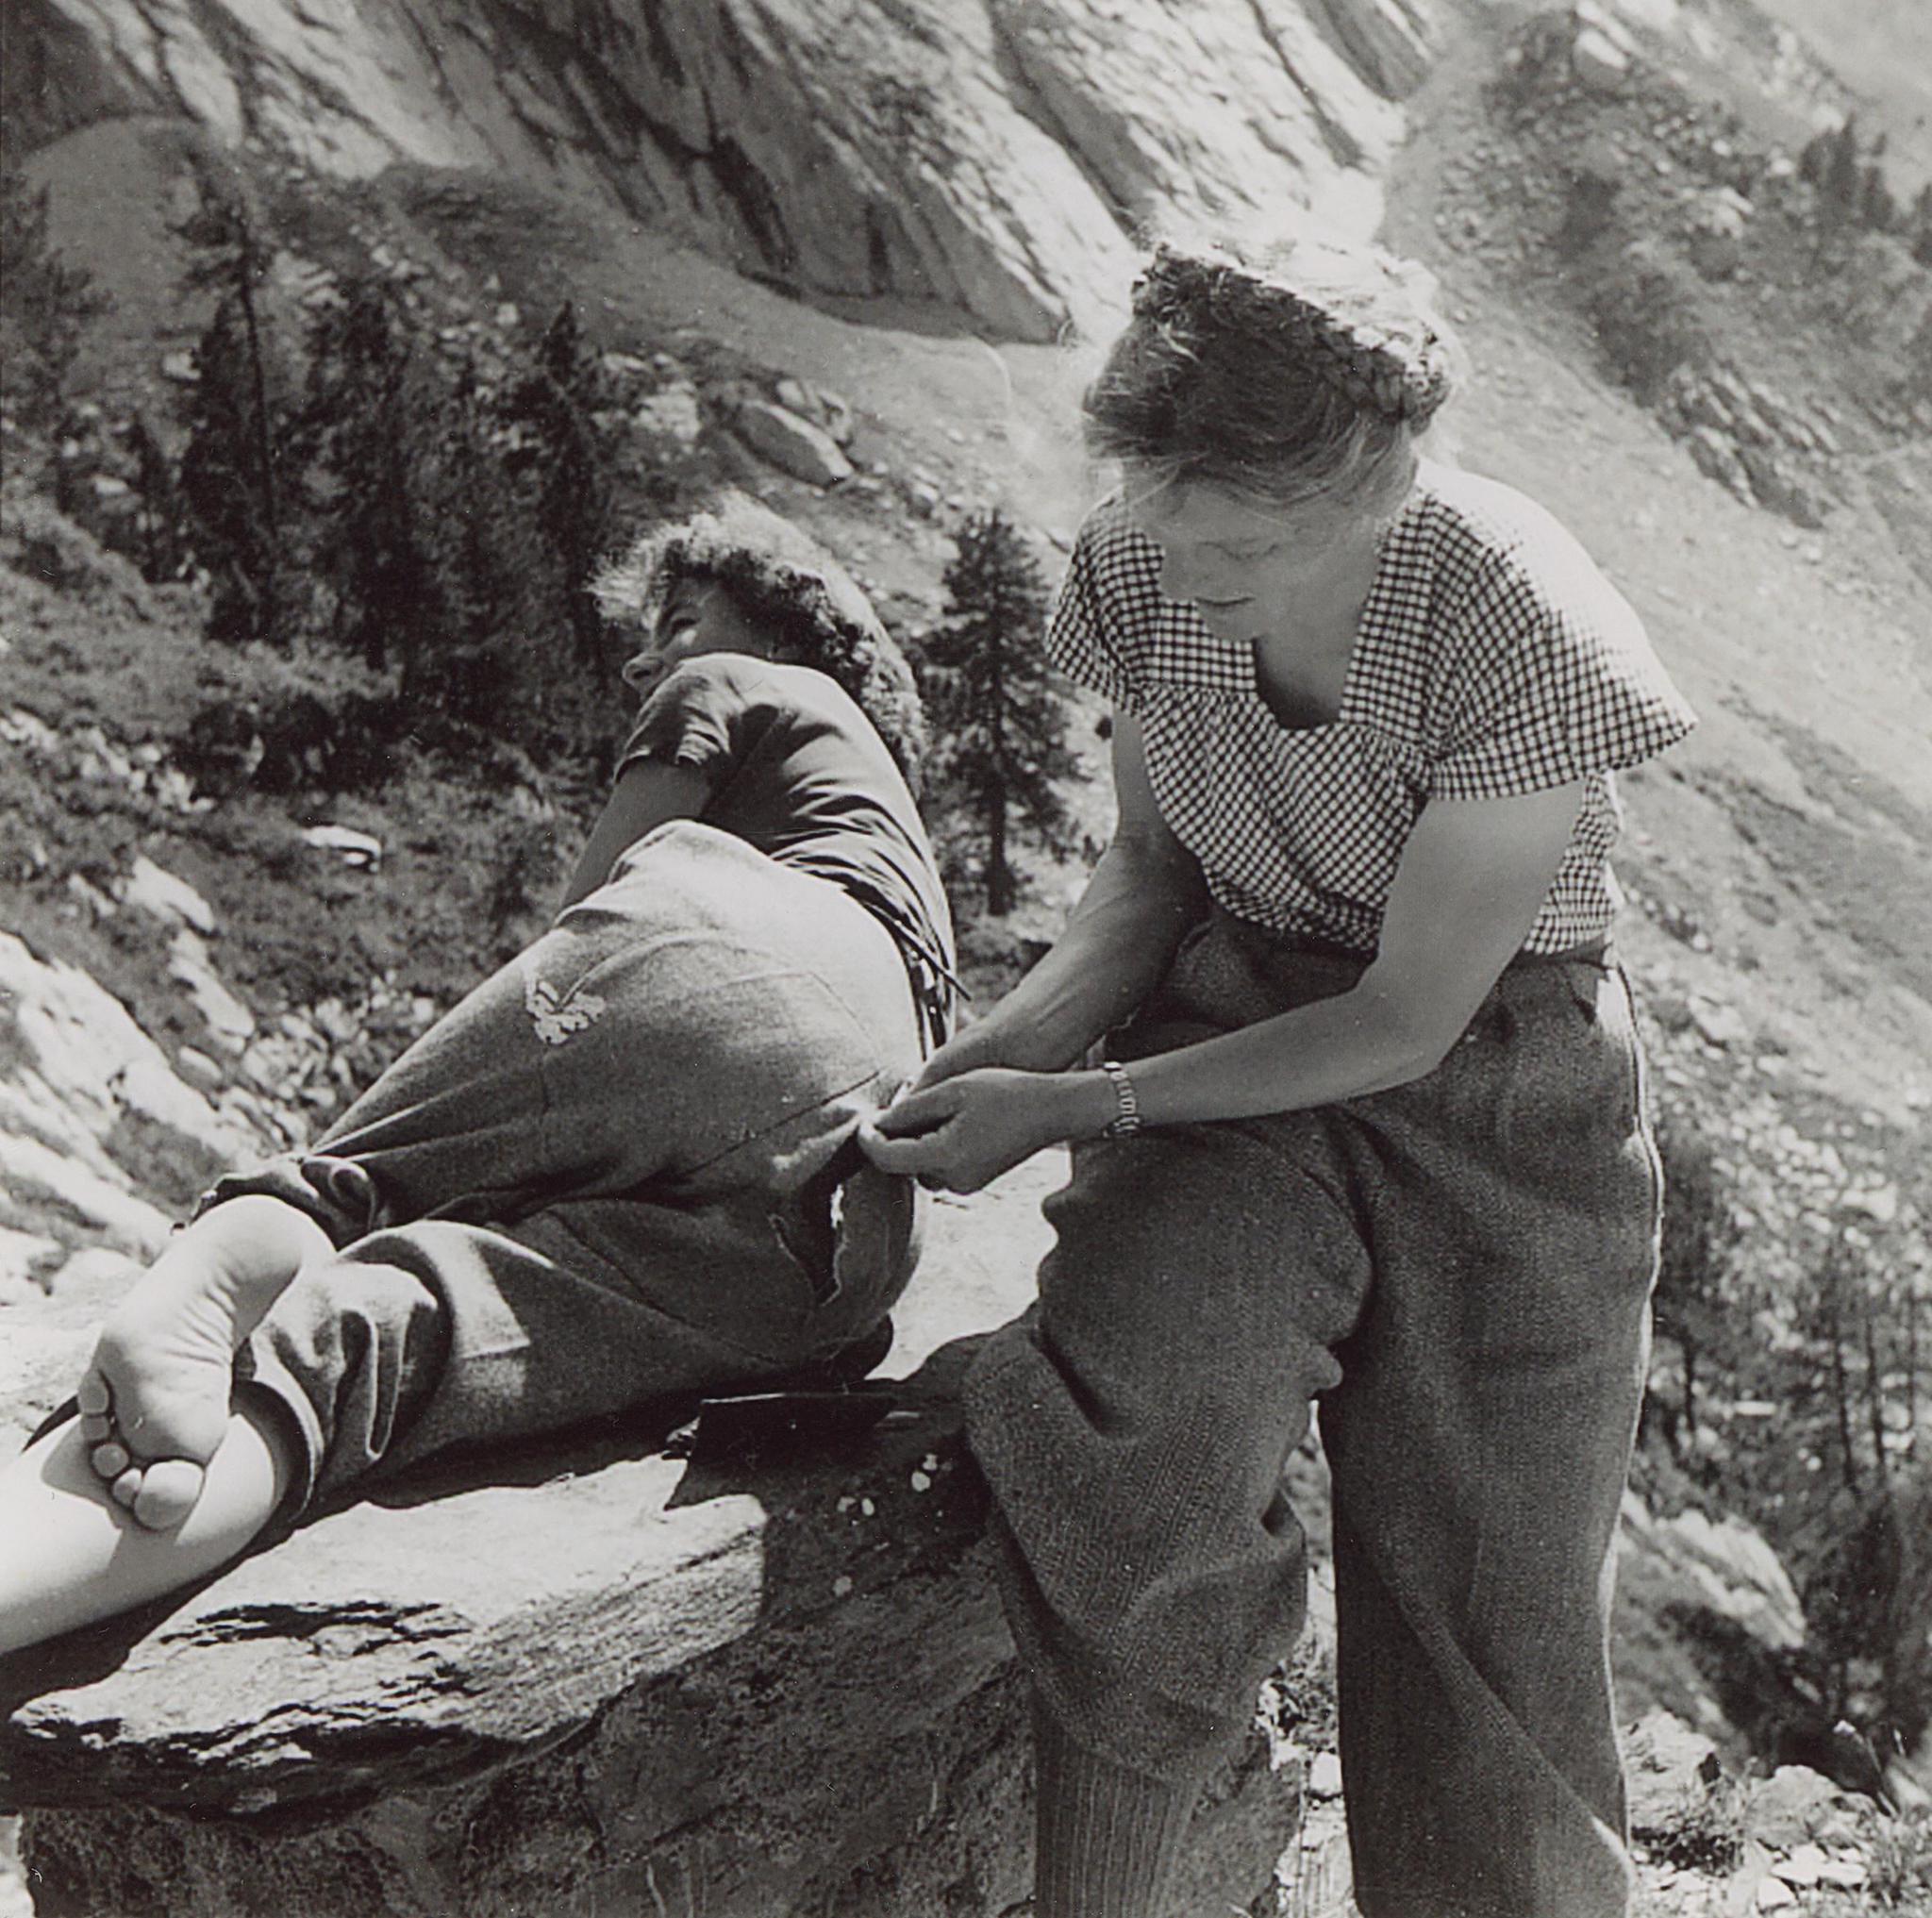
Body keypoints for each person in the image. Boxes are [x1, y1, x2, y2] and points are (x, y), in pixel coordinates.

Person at [862, 228, 1698, 1917]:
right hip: (1227, 1026)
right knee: (1144, 1418)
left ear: (1372, 476)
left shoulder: (1514, 621)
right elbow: (1148, 881)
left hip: (1500, 1085)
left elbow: (1400, 1020)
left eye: (1231, 513)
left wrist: (1079, 1108)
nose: (1173, 543)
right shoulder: (1140, 564)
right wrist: (996, 1055)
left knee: (1489, 1622)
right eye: (1153, 490)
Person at [0, 494, 956, 1659]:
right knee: (406, 1343)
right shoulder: (893, 834)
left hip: (728, 955)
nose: (650, 656)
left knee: (382, 1183)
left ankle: (245, 1244)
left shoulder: (749, 686)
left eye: (682, 618)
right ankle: (143, 1504)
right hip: (849, 1216)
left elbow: (598, 910)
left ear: (785, 631)